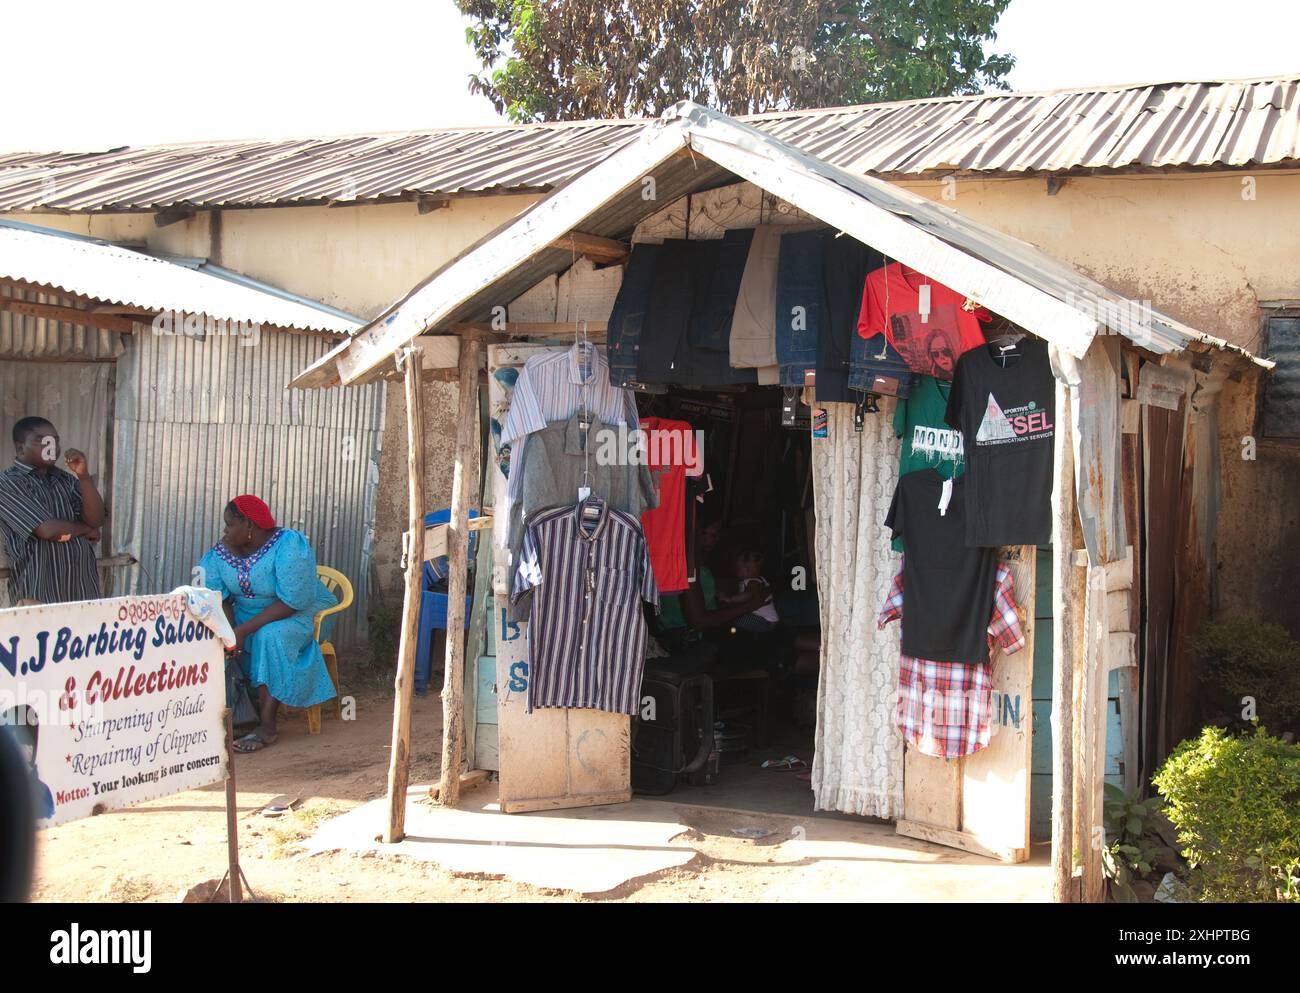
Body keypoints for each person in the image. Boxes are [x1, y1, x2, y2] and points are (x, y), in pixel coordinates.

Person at [197, 495, 337, 752]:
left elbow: (293, 600)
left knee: (269, 636)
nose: (225, 531)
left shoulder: (288, 544)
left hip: (298, 613)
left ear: (249, 525)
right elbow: (219, 598)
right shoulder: (221, 552)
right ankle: (234, 719)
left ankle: (267, 726)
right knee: (210, 635)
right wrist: (230, 632)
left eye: (230, 525)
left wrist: (242, 631)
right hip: (246, 617)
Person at [0, 417, 104, 605]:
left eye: (55, 441)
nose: (52, 447)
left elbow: (96, 519)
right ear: (20, 447)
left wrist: (83, 476)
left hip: (82, 590)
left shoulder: (68, 480)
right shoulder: (7, 483)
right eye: (41, 441)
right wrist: (86, 529)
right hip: (38, 595)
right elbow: (48, 530)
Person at [716, 548, 779, 632]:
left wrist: (730, 598)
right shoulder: (759, 580)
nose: (735, 570)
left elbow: (748, 594)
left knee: (736, 619)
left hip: (764, 621)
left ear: (747, 569)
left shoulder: (752, 582)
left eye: (738, 567)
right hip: (763, 620)